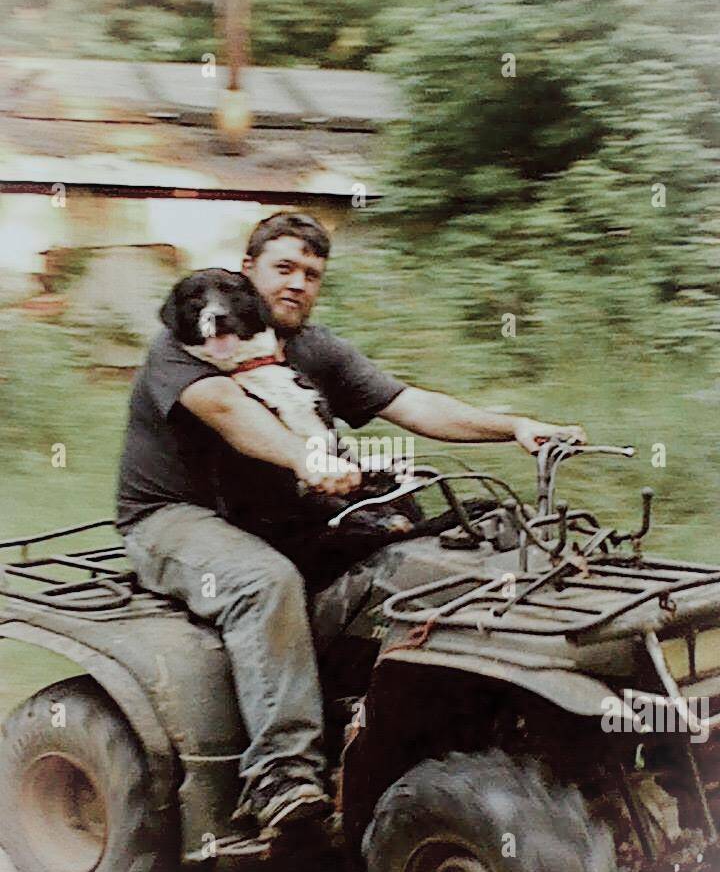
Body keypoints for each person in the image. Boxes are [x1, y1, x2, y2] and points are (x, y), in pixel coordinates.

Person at [116, 211, 585, 832]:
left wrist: (516, 427)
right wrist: (305, 457)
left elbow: (412, 405)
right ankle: (282, 778)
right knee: (264, 582)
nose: (297, 285)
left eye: (311, 274)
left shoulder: (313, 347)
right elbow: (228, 410)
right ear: (247, 268)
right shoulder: (196, 334)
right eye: (283, 268)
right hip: (177, 515)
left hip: (280, 513)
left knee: (432, 548)